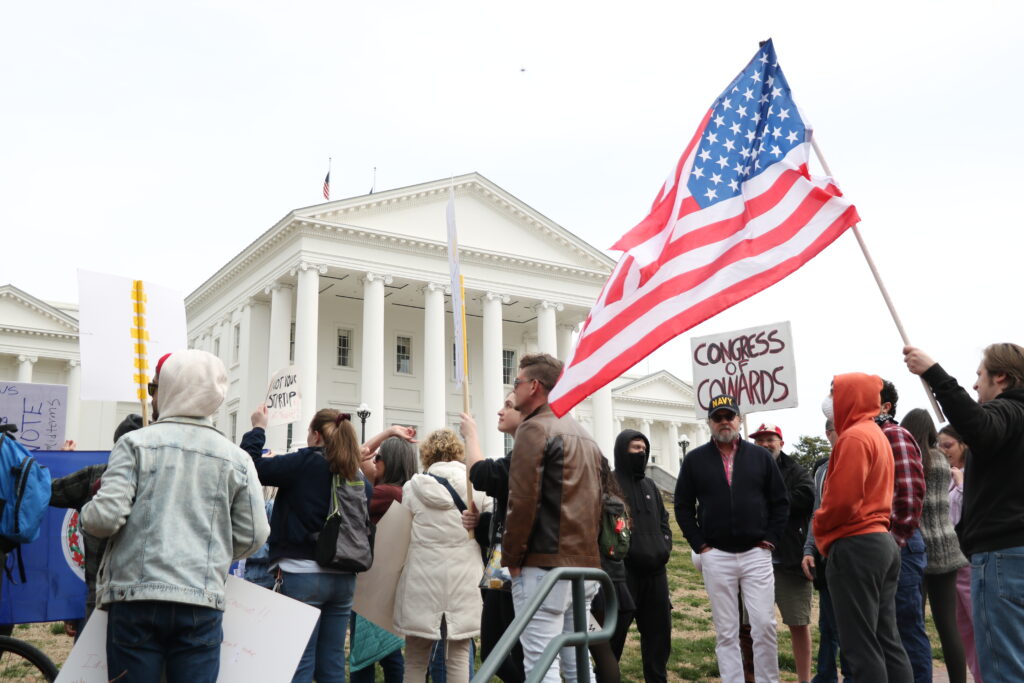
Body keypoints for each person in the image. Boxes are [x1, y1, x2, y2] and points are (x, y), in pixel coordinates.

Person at [81, 350, 270, 683]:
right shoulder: (237, 459)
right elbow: (255, 533)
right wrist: (214, 551)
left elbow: (103, 519)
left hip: (135, 597)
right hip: (201, 598)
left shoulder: (134, 443)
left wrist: (87, 509)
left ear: (167, 390)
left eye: (157, 386)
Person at [242, 404, 413, 683]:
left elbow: (250, 467)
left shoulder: (305, 462)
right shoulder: (354, 475)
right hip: (344, 578)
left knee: (300, 660)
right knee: (332, 664)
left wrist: (258, 428)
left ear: (317, 436)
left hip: (301, 574)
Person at [904, 343, 1024, 682]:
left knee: (1003, 667)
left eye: (979, 375)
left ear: (1001, 376)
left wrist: (934, 373)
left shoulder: (1010, 411)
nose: (974, 386)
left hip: (1002, 556)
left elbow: (979, 426)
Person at [502, 353, 604, 683]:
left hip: (543, 564)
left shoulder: (534, 429)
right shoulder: (584, 434)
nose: (513, 389)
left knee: (541, 661)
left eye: (516, 382)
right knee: (577, 661)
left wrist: (513, 558)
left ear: (534, 386)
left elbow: (522, 502)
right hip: (584, 565)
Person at [675, 394, 788, 683]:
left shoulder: (760, 457)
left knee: (764, 625)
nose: (724, 422)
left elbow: (780, 502)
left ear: (738, 419)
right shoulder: (695, 460)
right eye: (718, 417)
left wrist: (770, 539)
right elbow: (683, 507)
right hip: (717, 555)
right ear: (710, 422)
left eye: (729, 416)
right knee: (726, 629)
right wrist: (700, 545)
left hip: (755, 553)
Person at [813, 373, 912, 683]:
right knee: (887, 640)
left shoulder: (854, 437)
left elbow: (843, 501)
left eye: (835, 391)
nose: (831, 399)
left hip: (856, 544)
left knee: (860, 646)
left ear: (851, 396)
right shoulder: (875, 434)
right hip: (881, 541)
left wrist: (820, 526)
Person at [393, 428, 489, 683]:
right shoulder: (475, 485)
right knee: (458, 655)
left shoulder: (412, 487)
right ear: (457, 452)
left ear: (427, 455)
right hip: (464, 577)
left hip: (421, 577)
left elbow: (403, 533)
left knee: (414, 658)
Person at [50, 413, 143, 639]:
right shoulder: (95, 475)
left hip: (106, 596)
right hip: (132, 599)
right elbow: (48, 492)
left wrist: (60, 464)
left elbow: (43, 490)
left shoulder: (96, 474)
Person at [460, 393, 526, 683]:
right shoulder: (518, 453)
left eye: (509, 406)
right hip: (499, 570)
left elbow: (483, 474)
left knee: (522, 653)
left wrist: (471, 436)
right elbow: (508, 516)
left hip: (522, 569)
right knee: (492, 653)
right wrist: (483, 522)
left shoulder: (529, 453)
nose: (500, 411)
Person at [901, 408, 969, 683]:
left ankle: (919, 677)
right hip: (947, 546)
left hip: (917, 548)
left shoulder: (907, 458)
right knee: (948, 626)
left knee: (913, 625)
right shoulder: (941, 459)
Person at [749, 423, 814, 683]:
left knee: (798, 623)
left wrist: (768, 500)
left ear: (781, 443)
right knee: (753, 627)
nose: (765, 444)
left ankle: (804, 679)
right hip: (753, 560)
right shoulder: (745, 470)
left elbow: (806, 497)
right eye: (759, 440)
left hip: (788, 559)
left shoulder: (796, 471)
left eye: (770, 439)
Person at [350, 437, 418, 683]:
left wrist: (360, 458)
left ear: (389, 463)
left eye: (378, 457)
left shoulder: (384, 493)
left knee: (362, 655)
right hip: (396, 583)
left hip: (372, 584)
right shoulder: (408, 492)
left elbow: (354, 489)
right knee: (390, 652)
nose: (373, 461)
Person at [876, 381, 930, 683]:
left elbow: (909, 498)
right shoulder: (869, 437)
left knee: (906, 628)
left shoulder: (893, 434)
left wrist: (891, 543)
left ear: (886, 407)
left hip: (900, 544)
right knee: (885, 630)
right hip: (885, 545)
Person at [608, 429, 671, 683]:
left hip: (656, 574)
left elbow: (664, 521)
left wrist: (664, 546)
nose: (641, 452)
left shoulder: (651, 485)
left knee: (658, 639)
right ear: (622, 450)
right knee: (613, 639)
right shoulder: (609, 483)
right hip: (624, 575)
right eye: (635, 448)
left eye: (644, 448)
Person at [801, 419, 852, 683]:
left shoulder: (857, 458)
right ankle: (825, 676)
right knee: (828, 625)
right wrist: (809, 548)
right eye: (838, 429)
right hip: (826, 557)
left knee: (851, 627)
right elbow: (816, 514)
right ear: (828, 434)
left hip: (855, 556)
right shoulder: (821, 469)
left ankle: (852, 676)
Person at [937, 425, 982, 683]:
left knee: (982, 630)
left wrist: (962, 485)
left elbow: (973, 513)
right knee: (965, 632)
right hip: (953, 566)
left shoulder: (973, 475)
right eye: (940, 446)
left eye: (948, 445)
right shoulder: (947, 478)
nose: (944, 452)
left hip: (971, 562)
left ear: (963, 444)